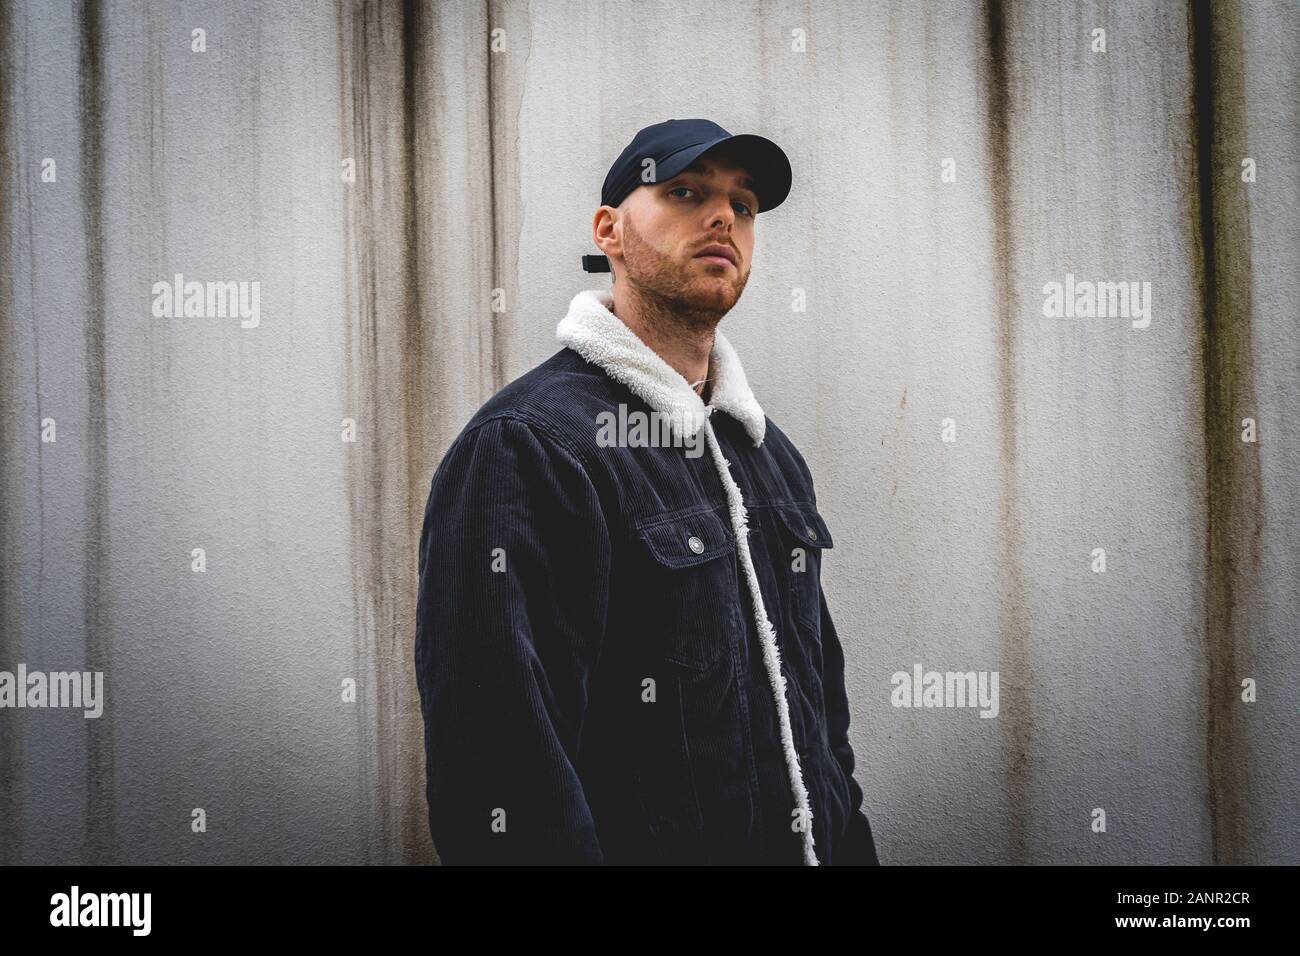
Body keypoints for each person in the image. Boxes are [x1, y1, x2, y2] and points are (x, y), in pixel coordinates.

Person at [415, 118, 880, 865]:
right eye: (686, 192)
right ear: (611, 230)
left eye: (745, 204)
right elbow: (497, 767)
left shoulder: (768, 455)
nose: (724, 216)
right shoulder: (528, 445)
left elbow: (823, 730)